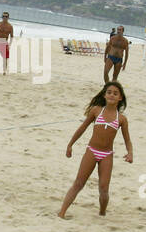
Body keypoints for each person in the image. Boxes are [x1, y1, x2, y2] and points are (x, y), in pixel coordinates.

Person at [57, 82, 133, 218]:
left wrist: (130, 153)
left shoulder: (121, 119)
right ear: (104, 95)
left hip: (107, 155)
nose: (111, 95)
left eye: (115, 93)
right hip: (91, 151)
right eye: (109, 92)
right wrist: (70, 144)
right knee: (78, 183)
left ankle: (102, 212)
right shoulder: (96, 111)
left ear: (120, 98)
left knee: (104, 189)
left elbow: (127, 139)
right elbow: (82, 128)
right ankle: (62, 212)